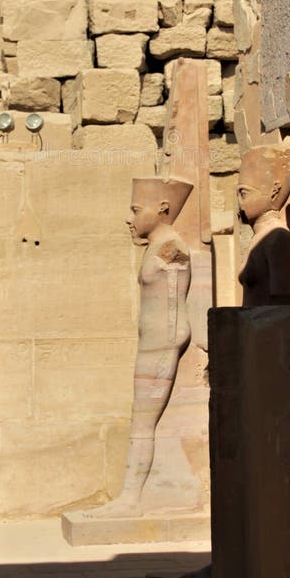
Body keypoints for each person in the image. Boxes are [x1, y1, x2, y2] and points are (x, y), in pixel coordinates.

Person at [84, 176, 193, 517]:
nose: (129, 219)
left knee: (143, 424)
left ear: (162, 210)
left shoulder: (171, 248)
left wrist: (167, 350)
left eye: (135, 210)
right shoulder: (158, 247)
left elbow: (176, 317)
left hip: (161, 345)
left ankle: (130, 500)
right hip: (154, 343)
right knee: (141, 422)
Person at [237, 139, 290, 307]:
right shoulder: (260, 237)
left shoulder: (277, 237)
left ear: (274, 191)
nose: (239, 203)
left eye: (244, 194)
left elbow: (283, 300)